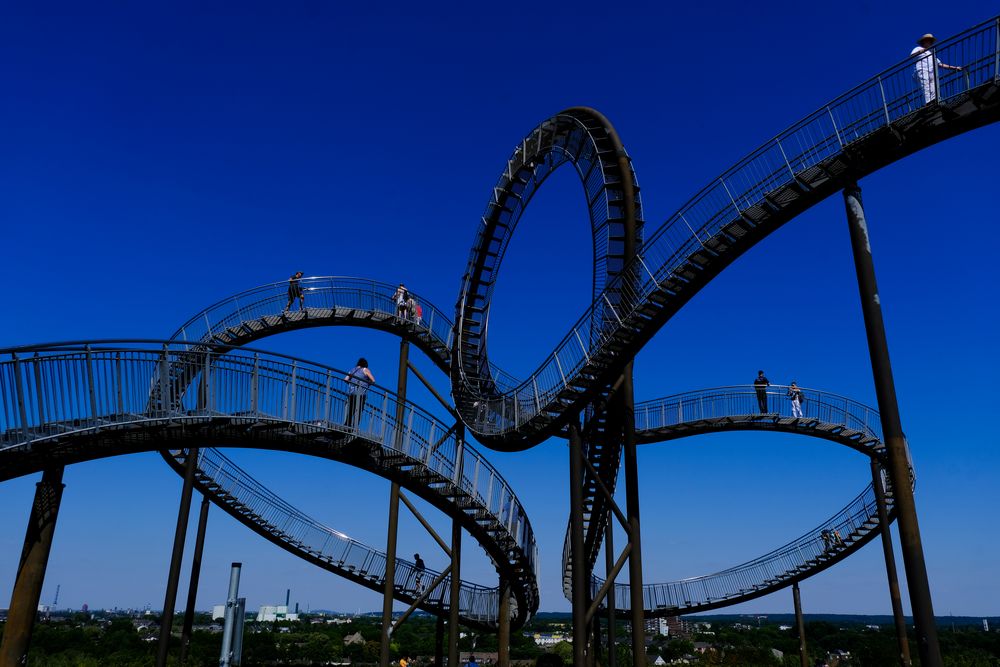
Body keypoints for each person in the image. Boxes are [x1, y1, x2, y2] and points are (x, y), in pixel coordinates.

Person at [911, 33, 962, 104]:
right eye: (928, 40)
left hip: (932, 71)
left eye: (931, 41)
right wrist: (921, 51)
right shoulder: (918, 48)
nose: (930, 42)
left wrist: (955, 68)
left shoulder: (932, 54)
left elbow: (941, 64)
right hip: (922, 70)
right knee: (926, 85)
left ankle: (934, 100)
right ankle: (928, 102)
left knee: (933, 86)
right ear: (924, 41)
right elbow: (912, 55)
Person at [344, 358, 375, 428]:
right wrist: (367, 385)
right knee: (359, 410)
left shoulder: (352, 370)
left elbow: (345, 379)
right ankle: (355, 427)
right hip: (361, 393)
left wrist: (352, 383)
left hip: (352, 392)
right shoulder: (365, 370)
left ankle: (347, 425)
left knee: (351, 409)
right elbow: (373, 380)